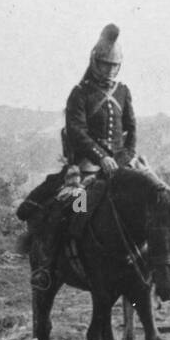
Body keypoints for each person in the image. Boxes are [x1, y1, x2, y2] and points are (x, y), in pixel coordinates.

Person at [21, 24, 137, 289]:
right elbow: (76, 131)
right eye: (105, 65)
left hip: (122, 163)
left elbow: (132, 134)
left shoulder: (123, 92)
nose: (109, 70)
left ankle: (156, 268)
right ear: (95, 62)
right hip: (86, 167)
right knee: (73, 208)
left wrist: (119, 160)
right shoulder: (80, 93)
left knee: (157, 198)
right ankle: (49, 266)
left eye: (113, 66)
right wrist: (100, 158)